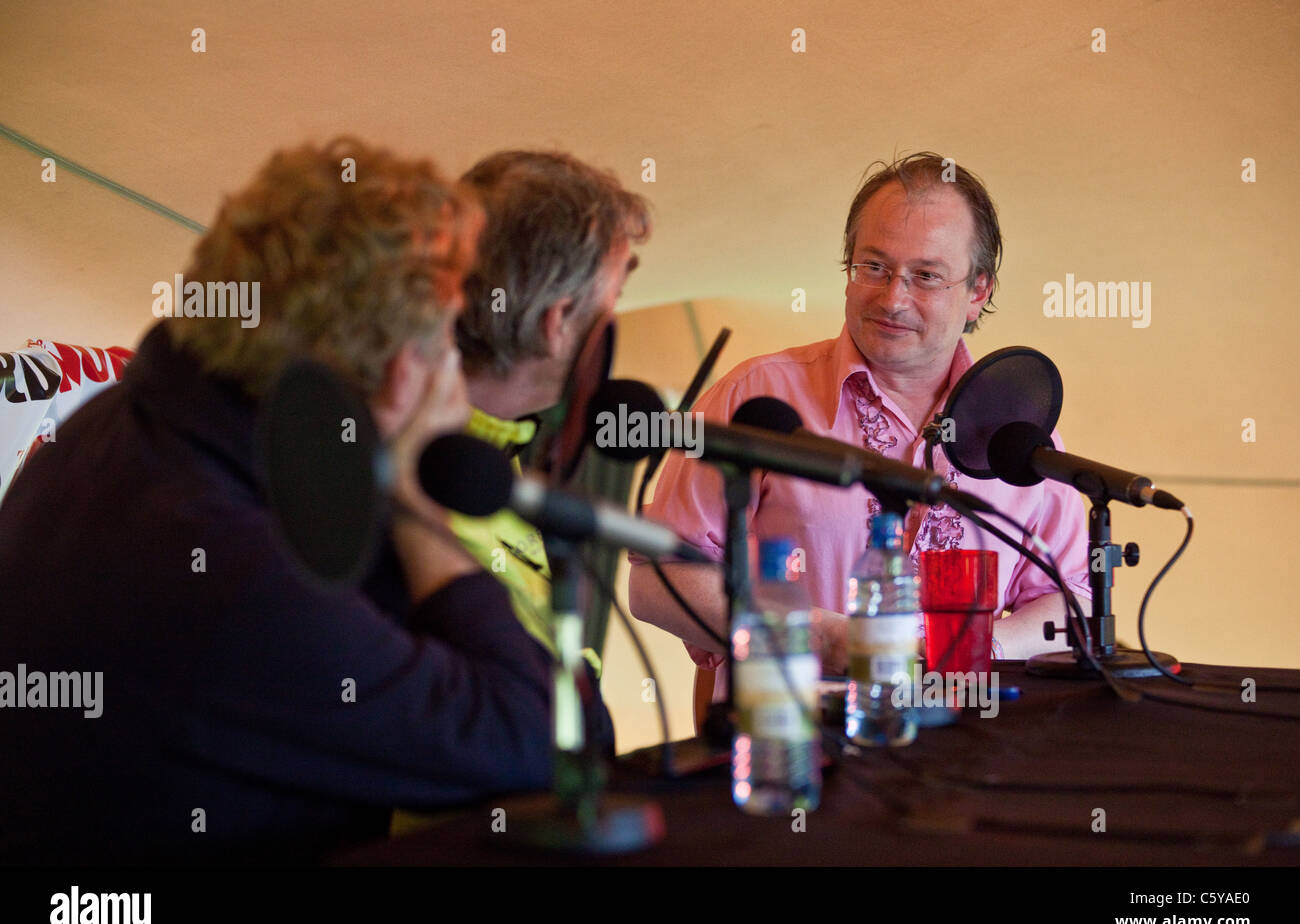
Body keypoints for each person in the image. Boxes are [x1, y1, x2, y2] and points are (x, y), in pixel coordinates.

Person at [0, 138, 558, 864]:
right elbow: (538, 742)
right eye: (449, 342)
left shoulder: (129, 428)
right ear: (400, 377)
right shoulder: (223, 561)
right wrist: (422, 500)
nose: (457, 366)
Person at [628, 152, 1092, 708]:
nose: (893, 298)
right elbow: (656, 580)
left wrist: (969, 648)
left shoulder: (1021, 436)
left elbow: (1071, 603)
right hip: (790, 750)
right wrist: (817, 637)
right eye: (873, 266)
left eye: (925, 276)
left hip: (968, 764)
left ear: (978, 291)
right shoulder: (756, 395)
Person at [448, 150, 648, 665]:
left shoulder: (496, 453)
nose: (613, 322)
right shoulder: (433, 487)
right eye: (614, 298)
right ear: (557, 321)